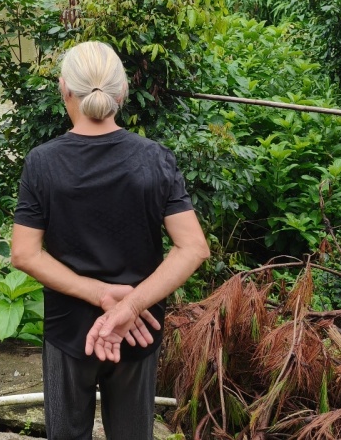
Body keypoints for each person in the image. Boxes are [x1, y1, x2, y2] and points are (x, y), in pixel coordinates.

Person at [11, 41, 210, 440]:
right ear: (122, 93)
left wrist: (101, 295)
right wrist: (130, 304)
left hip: (68, 331)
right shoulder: (154, 158)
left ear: (63, 88)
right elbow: (193, 247)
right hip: (137, 328)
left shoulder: (43, 163)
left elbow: (24, 253)